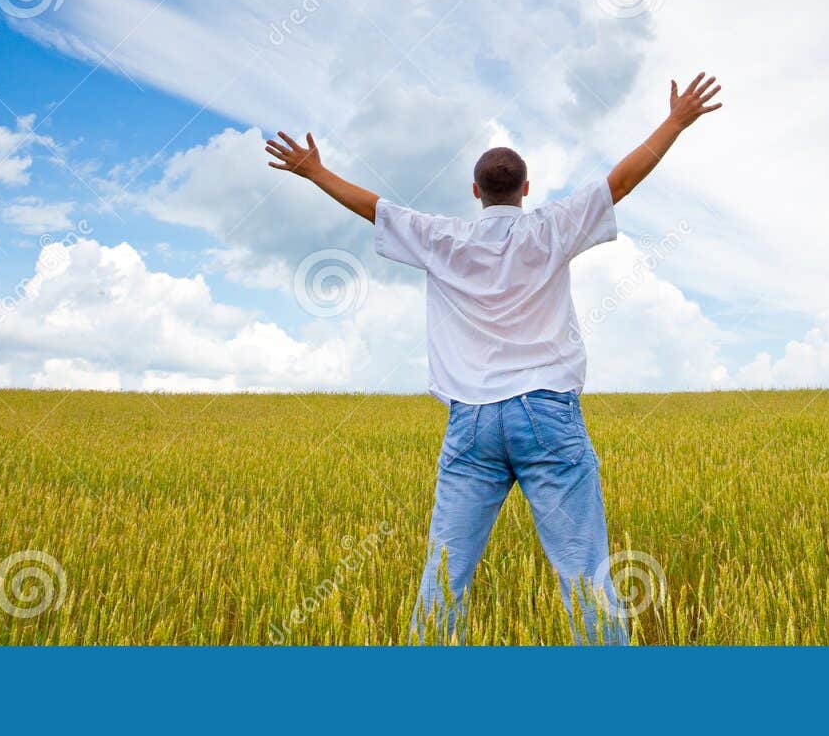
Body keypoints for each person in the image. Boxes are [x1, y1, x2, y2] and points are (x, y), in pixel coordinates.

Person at [264, 73, 723, 643]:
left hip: (472, 421)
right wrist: (676, 121)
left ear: (475, 191)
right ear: (526, 189)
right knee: (585, 573)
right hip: (547, 413)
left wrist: (315, 171)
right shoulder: (550, 229)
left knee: (444, 578)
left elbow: (375, 209)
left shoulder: (443, 238)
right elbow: (620, 182)